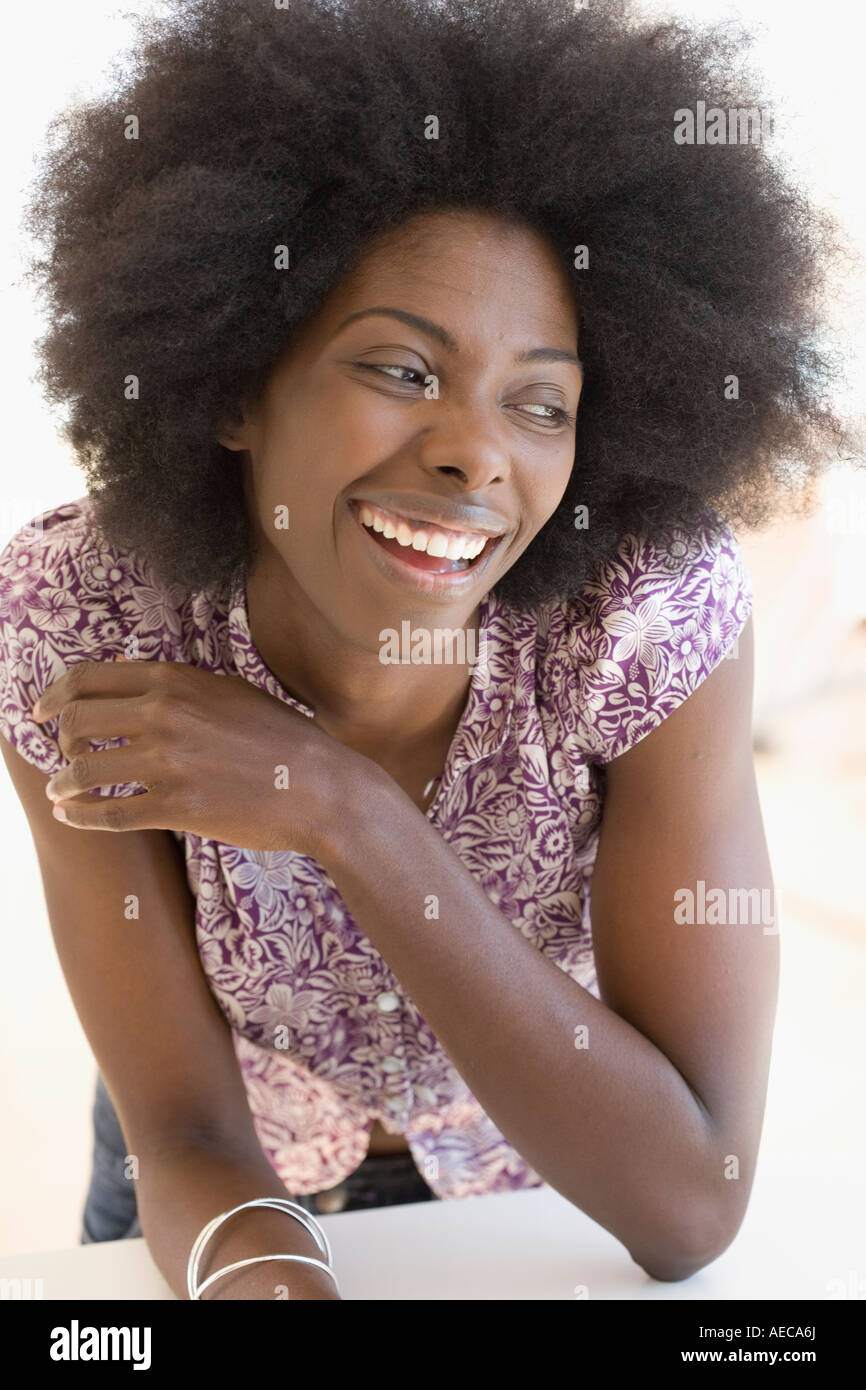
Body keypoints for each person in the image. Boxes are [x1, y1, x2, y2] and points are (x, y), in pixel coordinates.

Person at [0, 0, 852, 1298]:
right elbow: (182, 1127)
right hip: (220, 1195)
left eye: (538, 399)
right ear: (233, 384)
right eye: (400, 368)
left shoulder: (639, 610)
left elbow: (688, 1206)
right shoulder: (76, 614)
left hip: (548, 1177)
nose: (475, 450)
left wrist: (350, 816)